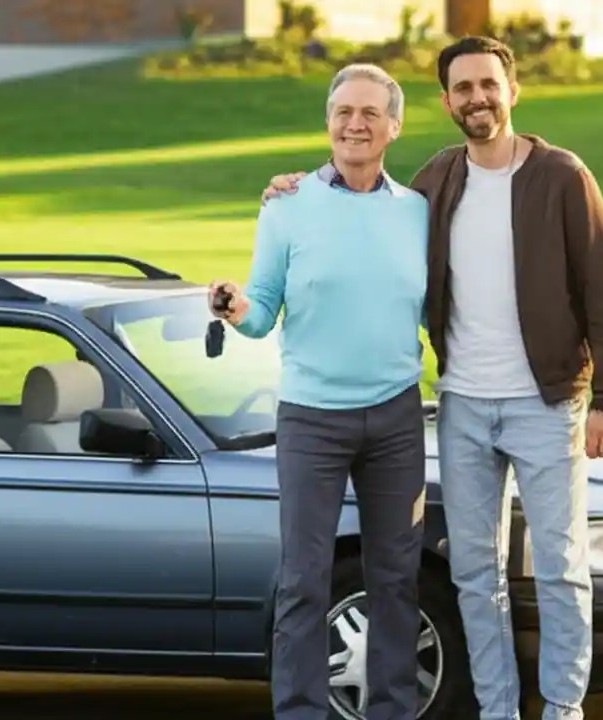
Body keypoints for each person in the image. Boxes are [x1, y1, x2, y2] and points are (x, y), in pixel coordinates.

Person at [261, 37, 603, 720]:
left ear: (511, 90)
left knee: (559, 568)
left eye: (488, 85)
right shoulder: (438, 181)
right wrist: (294, 188)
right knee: (473, 574)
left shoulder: (561, 176)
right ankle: (497, 711)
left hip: (547, 406)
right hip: (461, 402)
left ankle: (560, 710)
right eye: (462, 89)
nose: (477, 99)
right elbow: (361, 196)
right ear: (446, 102)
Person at [212, 63, 431, 720]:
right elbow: (262, 311)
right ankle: (301, 711)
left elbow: (436, 309)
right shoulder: (288, 205)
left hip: (396, 418)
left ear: (393, 126)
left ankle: (391, 709)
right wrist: (236, 307)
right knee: (305, 581)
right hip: (312, 420)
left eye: (370, 112)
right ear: (328, 121)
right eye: (343, 111)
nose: (355, 123)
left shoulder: (417, 212)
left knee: (395, 579)